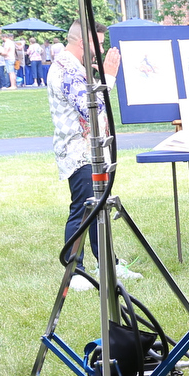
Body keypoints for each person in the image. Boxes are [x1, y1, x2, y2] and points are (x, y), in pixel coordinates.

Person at [47, 21, 132, 284]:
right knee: (84, 210)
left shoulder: (76, 67)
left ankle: (107, 264)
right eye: (99, 43)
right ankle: (75, 272)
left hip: (90, 151)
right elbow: (90, 108)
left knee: (98, 209)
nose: (101, 50)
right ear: (84, 42)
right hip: (80, 153)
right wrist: (109, 77)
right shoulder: (67, 69)